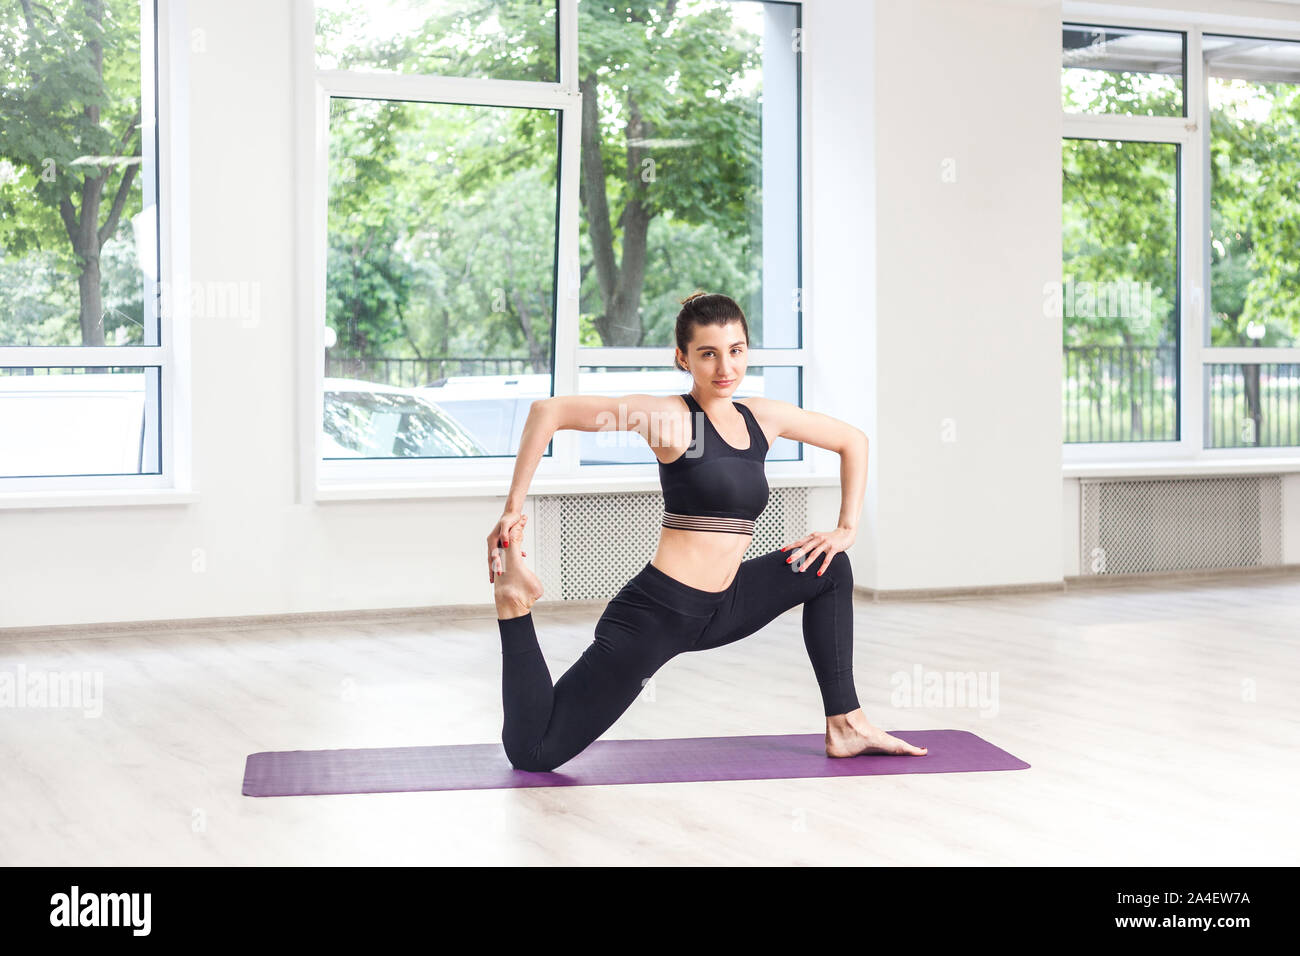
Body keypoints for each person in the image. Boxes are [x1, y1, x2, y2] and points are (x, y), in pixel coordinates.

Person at [486, 291, 927, 772]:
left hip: (725, 606)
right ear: (683, 358)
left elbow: (853, 441)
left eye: (735, 351)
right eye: (708, 354)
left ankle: (846, 724)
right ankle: (513, 604)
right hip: (659, 614)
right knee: (534, 754)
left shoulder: (762, 417)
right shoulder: (666, 417)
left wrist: (847, 529)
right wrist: (512, 510)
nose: (725, 368)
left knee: (830, 566)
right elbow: (546, 413)